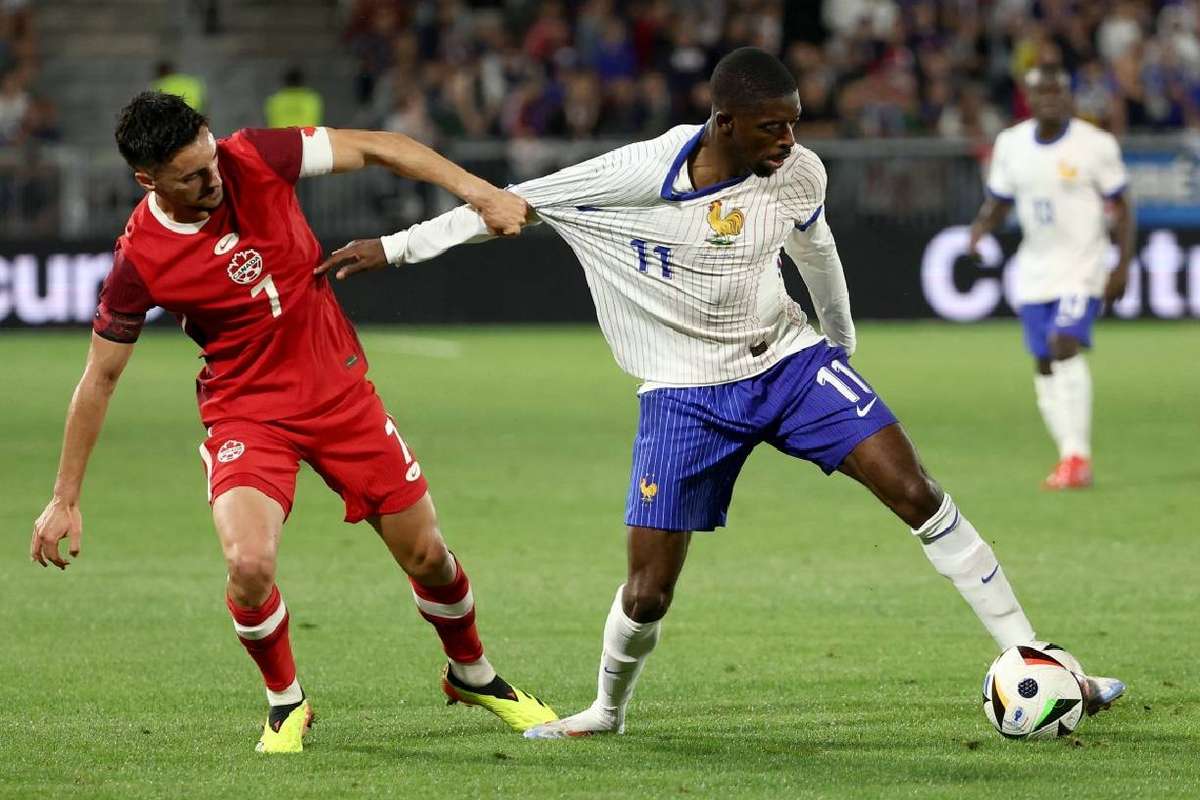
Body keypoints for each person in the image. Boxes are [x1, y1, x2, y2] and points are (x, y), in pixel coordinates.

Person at [316, 48, 1126, 738]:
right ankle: (606, 708)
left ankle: (1038, 660)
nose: (790, 139)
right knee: (649, 588)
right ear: (724, 122)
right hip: (684, 393)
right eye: (773, 125)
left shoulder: (796, 171)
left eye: (796, 121)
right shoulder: (636, 172)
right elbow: (505, 208)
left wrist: (839, 346)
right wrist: (393, 246)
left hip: (787, 362)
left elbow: (818, 254)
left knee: (917, 492)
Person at [27, 92, 556, 754]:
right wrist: (64, 496)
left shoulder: (253, 155)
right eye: (190, 176)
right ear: (147, 180)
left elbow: (380, 146)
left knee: (428, 556)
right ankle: (286, 702)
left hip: (339, 395)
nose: (212, 178)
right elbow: (100, 377)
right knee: (249, 563)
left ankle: (473, 674)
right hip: (247, 411)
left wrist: (480, 193)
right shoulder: (140, 259)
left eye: (209, 158)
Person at [968, 65, 1134, 490]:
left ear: (1069, 95)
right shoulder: (1011, 144)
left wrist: (1122, 265)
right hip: (1035, 269)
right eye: (1042, 92)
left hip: (1083, 265)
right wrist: (980, 229)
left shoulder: (1095, 144)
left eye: (1059, 91)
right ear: (1029, 96)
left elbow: (1124, 205)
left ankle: (1077, 457)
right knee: (1043, 362)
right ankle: (1069, 455)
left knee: (1064, 344)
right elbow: (1001, 200)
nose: (1051, 99)